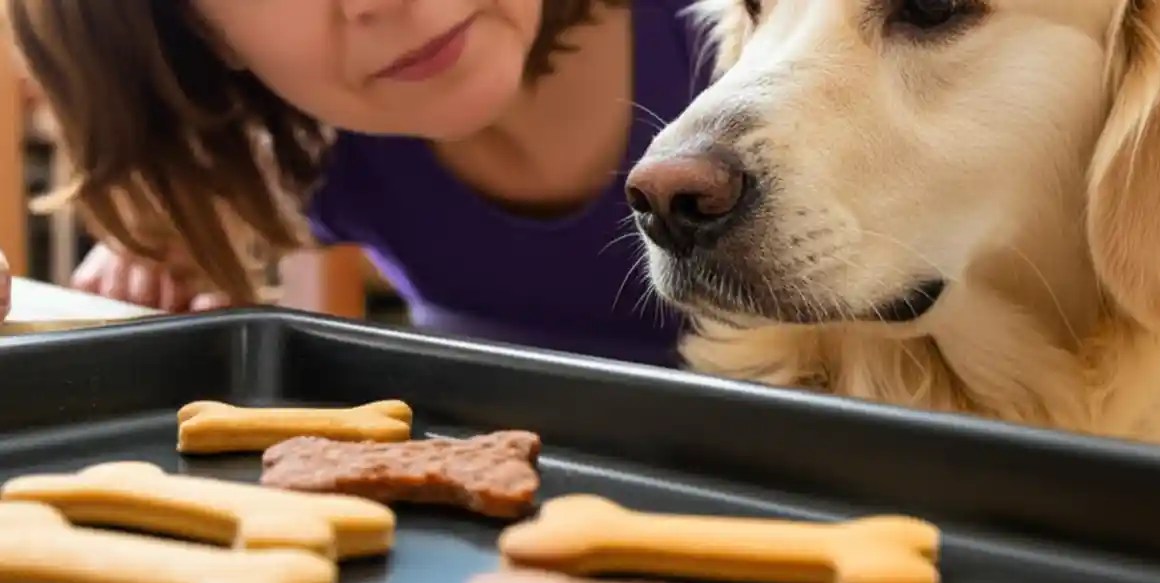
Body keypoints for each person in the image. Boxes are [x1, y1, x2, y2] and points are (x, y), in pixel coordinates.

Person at [7, 0, 711, 366]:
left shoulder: (749, 28)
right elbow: (176, 229)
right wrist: (146, 261)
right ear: (206, 34)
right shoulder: (313, 147)